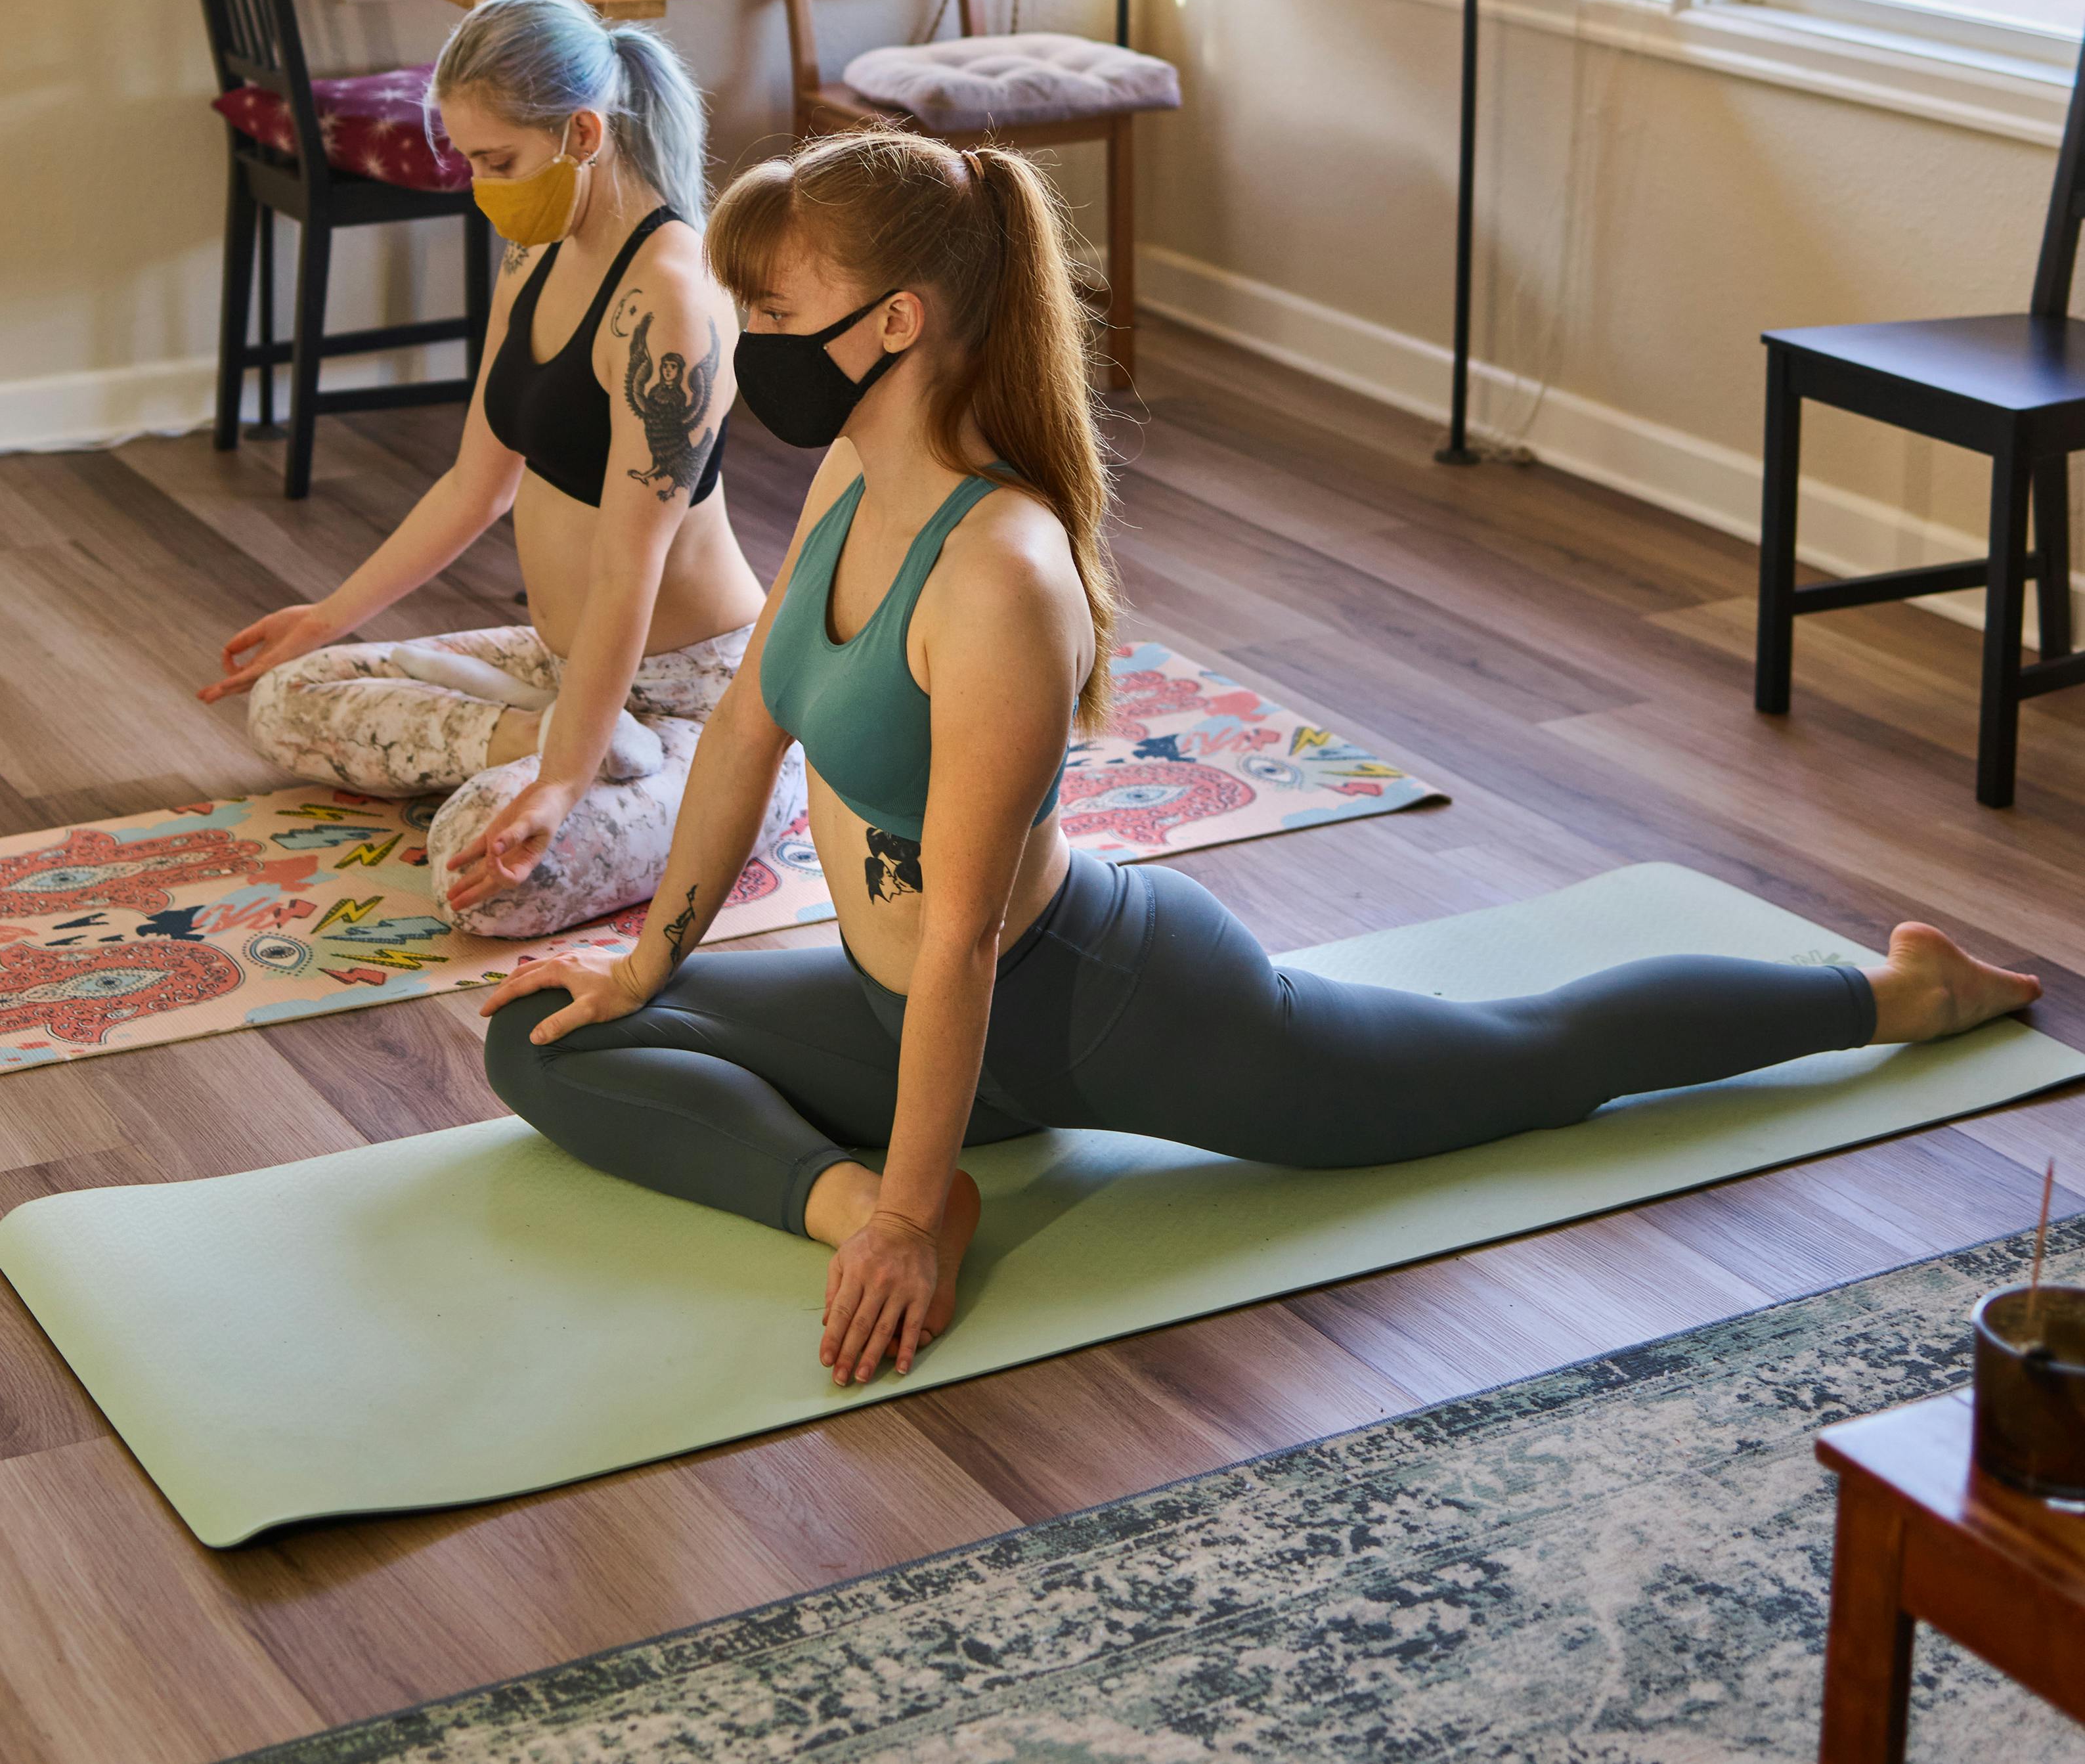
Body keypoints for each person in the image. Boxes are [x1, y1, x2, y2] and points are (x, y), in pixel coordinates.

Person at [481, 128, 2043, 1388]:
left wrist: (896, 1216)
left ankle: (1894, 991)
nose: (749, 342)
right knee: (550, 1039)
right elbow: (747, 729)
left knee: (1519, 1066)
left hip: (1098, 1007)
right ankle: (890, 1191)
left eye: (772, 312)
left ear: (892, 324)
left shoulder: (1001, 577)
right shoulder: (841, 475)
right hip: (906, 1011)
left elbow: (962, 935)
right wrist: (650, 967)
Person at [200, 0, 803, 938]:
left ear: (586, 134)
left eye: (497, 161)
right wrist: (325, 617)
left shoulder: (673, 305)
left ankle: (630, 765)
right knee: (289, 695)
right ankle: (575, 746)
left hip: (704, 700)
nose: (482, 187)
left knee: (482, 870)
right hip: (565, 666)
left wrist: (562, 782)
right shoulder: (535, 256)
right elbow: (474, 485)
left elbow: (627, 572)